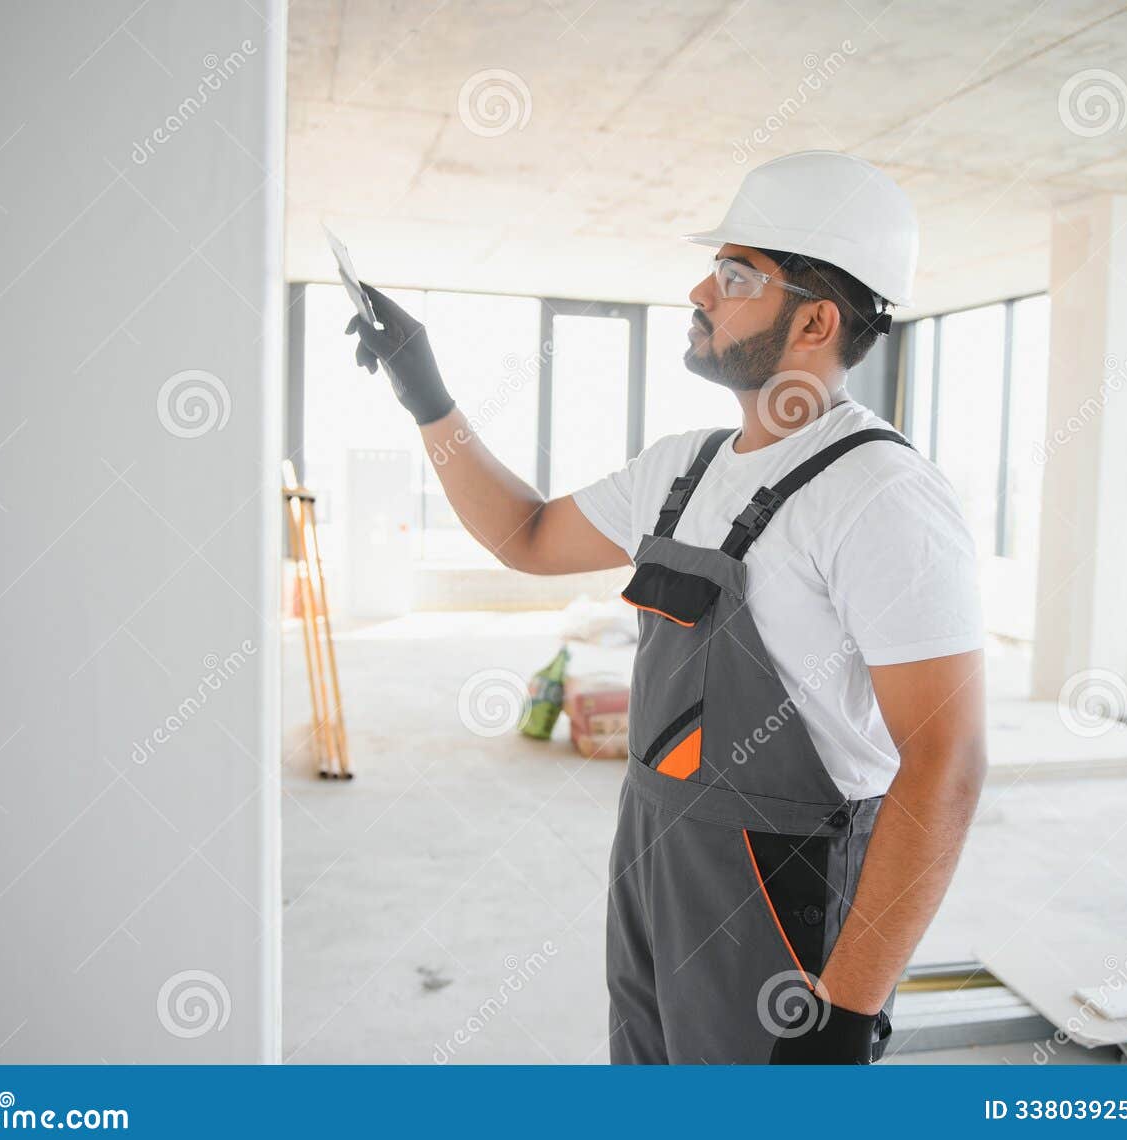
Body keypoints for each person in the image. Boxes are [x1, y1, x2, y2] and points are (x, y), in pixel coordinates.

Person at [347, 150, 988, 1064]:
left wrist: (847, 1008)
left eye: (734, 275)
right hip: (652, 855)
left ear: (815, 318)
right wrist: (426, 392)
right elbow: (526, 535)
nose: (699, 289)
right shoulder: (684, 469)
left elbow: (946, 762)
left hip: (781, 886)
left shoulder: (880, 495)